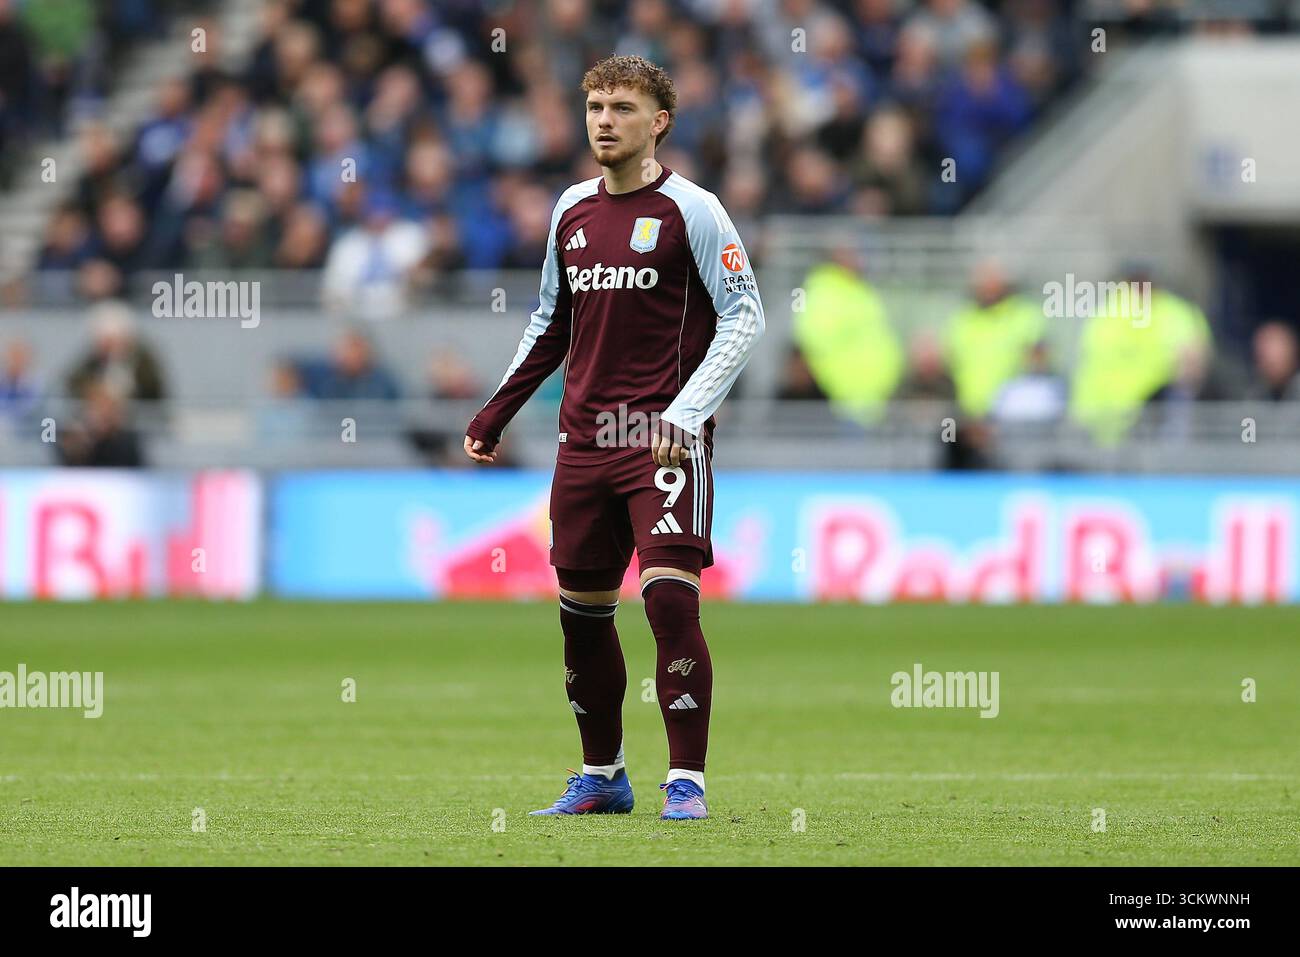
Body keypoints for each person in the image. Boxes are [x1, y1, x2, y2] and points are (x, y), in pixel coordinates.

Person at [463, 55, 764, 821]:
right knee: (582, 618)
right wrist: (495, 410)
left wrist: (687, 412)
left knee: (668, 602)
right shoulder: (569, 209)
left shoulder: (692, 209)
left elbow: (745, 314)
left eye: (622, 107)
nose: (604, 119)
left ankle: (687, 781)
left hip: (662, 444)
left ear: (659, 121)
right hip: (583, 446)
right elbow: (550, 322)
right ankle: (604, 774)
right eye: (595, 104)